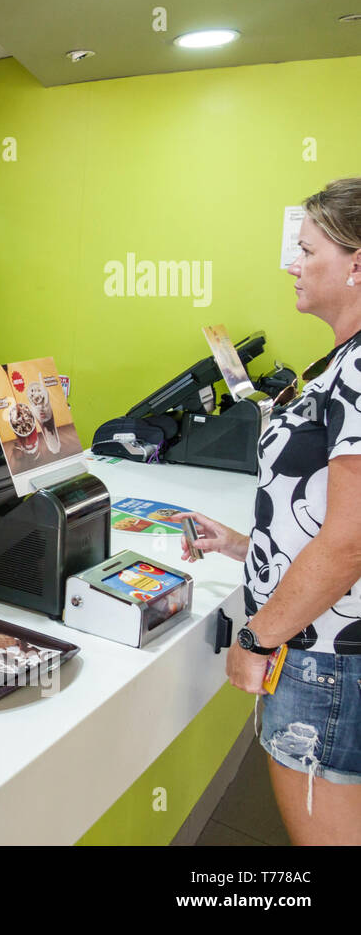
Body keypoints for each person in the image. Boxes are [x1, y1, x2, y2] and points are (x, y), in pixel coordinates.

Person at [178, 177, 361, 845]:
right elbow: (322, 515)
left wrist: (257, 636)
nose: (292, 263)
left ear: (356, 263)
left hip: (325, 655)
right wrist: (242, 544)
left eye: (307, 249)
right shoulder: (342, 361)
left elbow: (349, 545)